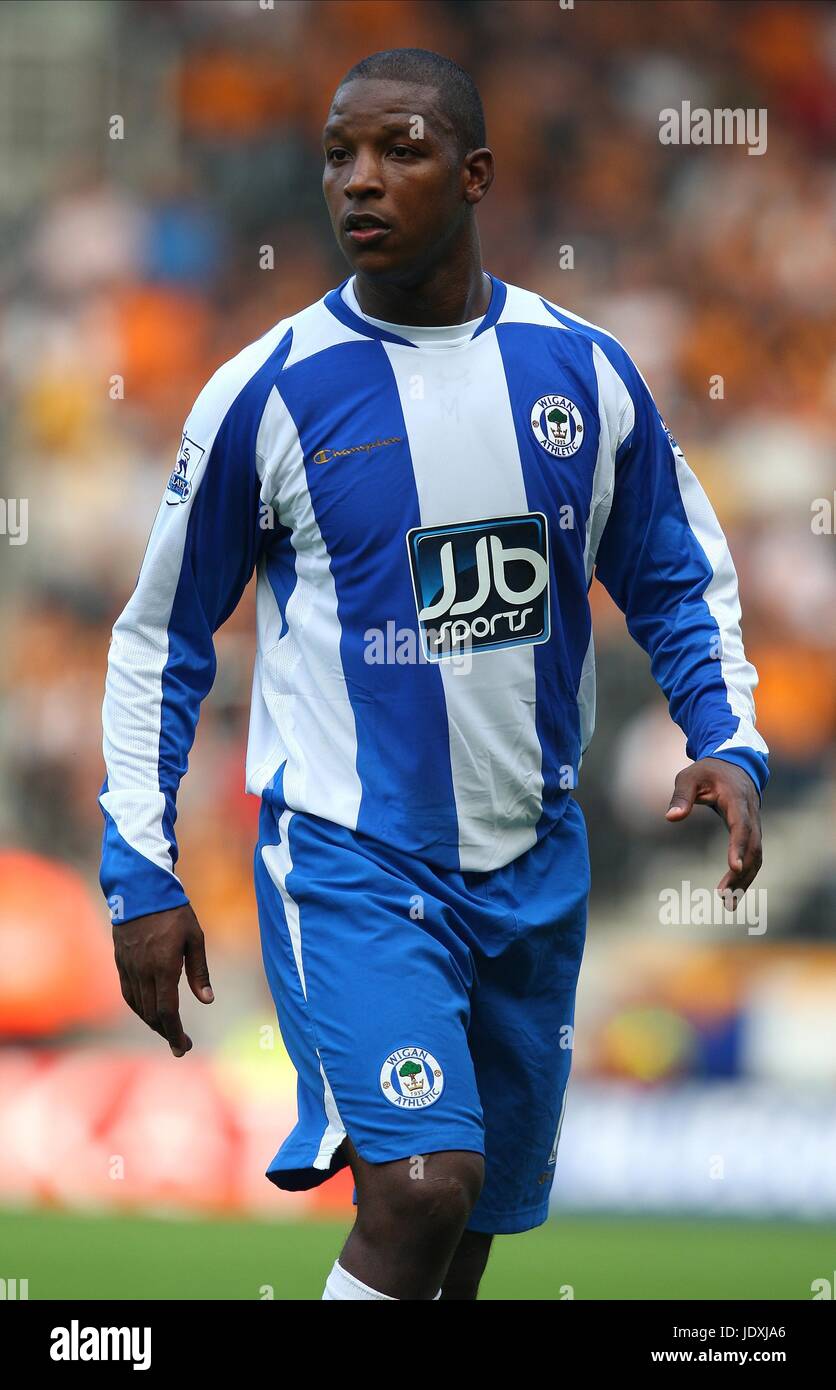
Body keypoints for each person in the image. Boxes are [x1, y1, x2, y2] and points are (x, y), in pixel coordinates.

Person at [99, 48, 767, 1301]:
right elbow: (159, 640)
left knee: (461, 1248)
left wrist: (723, 737)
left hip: (530, 862)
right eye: (337, 156)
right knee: (417, 1190)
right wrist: (141, 864)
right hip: (353, 856)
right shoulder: (265, 394)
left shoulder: (583, 374)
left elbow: (677, 575)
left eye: (396, 151)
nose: (357, 181)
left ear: (472, 178)